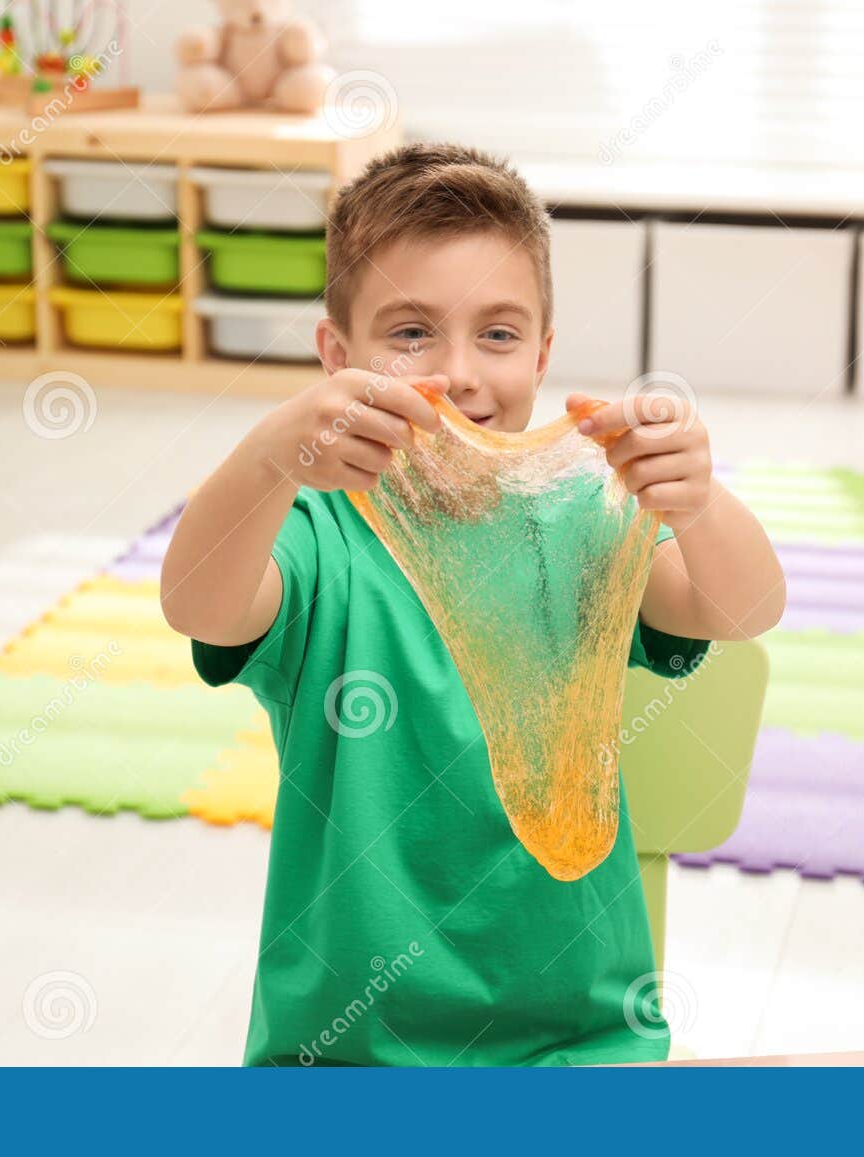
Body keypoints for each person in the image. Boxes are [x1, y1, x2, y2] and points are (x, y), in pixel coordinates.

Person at [161, 142, 786, 1066]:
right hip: (344, 1053)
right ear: (337, 358)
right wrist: (266, 458)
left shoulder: (589, 517)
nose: (458, 373)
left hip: (582, 1042)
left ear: (542, 354)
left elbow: (743, 610)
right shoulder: (317, 533)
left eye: (498, 335)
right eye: (411, 333)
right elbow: (198, 604)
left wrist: (697, 499)